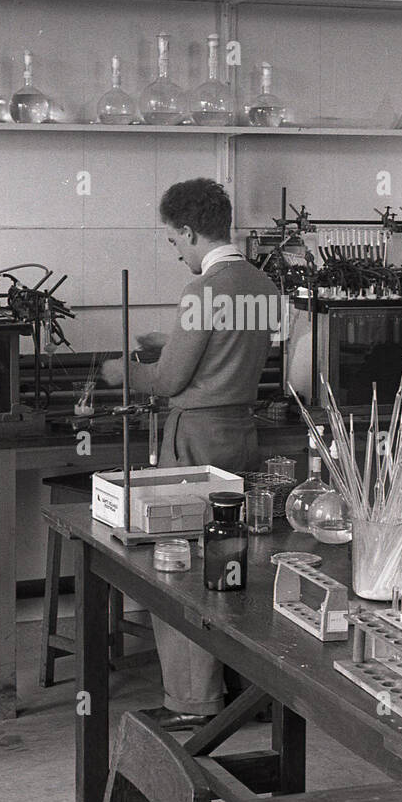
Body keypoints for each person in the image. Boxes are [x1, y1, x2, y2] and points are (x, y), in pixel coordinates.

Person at [101, 179, 280, 730]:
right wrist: (172, 337)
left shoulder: (203, 290)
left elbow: (170, 379)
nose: (175, 250)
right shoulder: (261, 284)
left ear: (188, 229)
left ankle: (192, 701)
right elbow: (224, 347)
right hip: (240, 434)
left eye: (174, 239)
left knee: (178, 567)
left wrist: (120, 372)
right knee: (234, 563)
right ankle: (248, 689)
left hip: (194, 442)